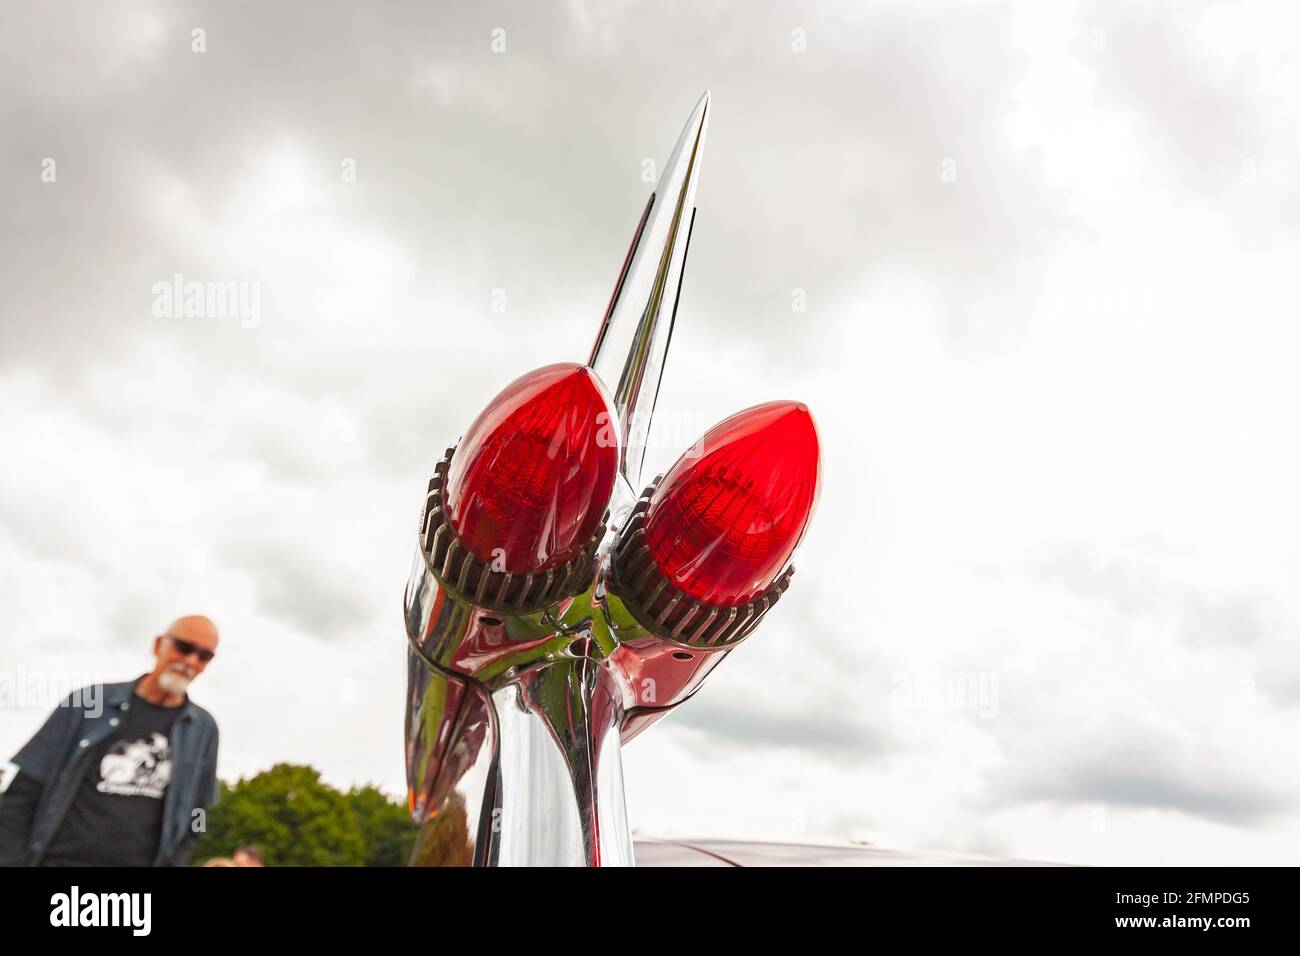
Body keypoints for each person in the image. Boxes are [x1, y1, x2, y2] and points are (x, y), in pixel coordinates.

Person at [0, 616, 221, 866]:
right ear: (159, 644)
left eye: (204, 656)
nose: (190, 661)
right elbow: (23, 792)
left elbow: (200, 810)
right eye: (184, 647)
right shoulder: (89, 703)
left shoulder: (204, 730)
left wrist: (181, 853)